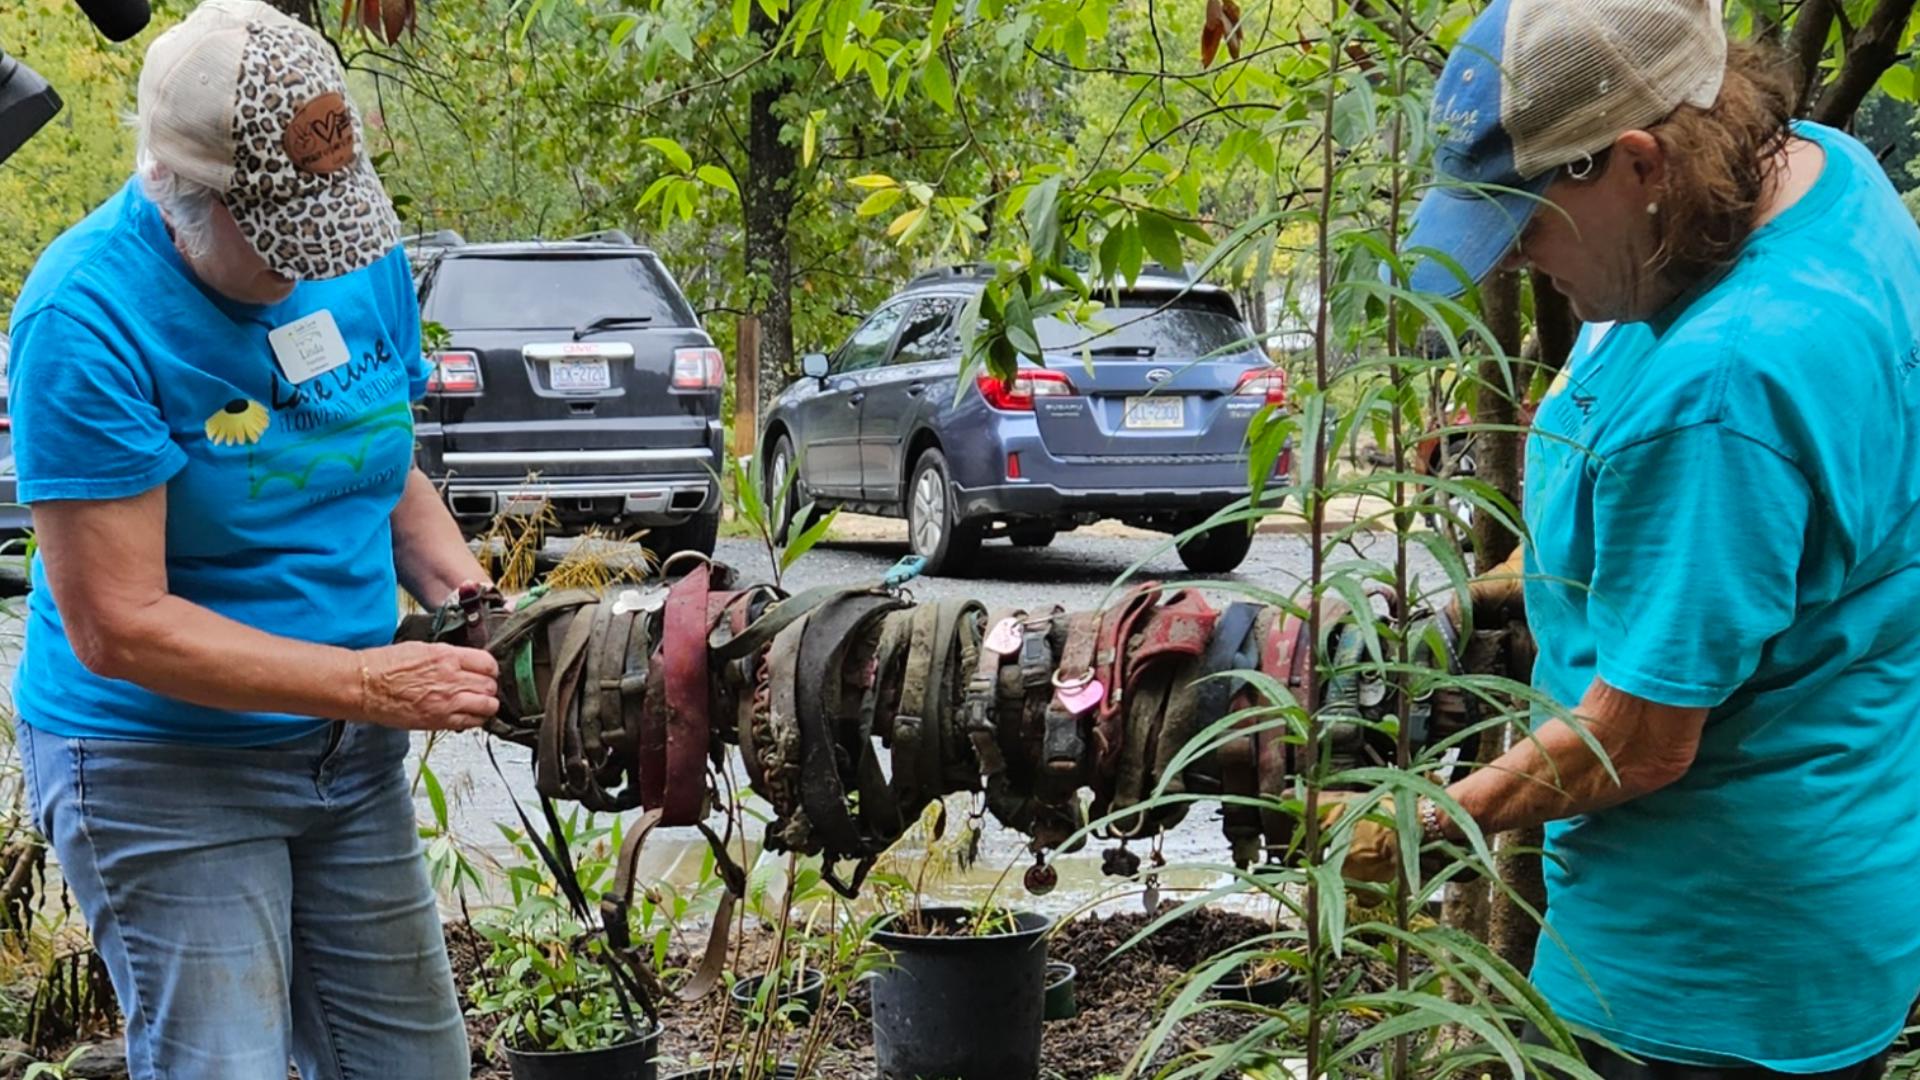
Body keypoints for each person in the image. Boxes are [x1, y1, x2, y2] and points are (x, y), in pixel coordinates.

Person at [1329, 0, 1920, 1076]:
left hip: (1708, 973)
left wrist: (1416, 825)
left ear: (1641, 163)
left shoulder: (1723, 387)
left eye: (1524, 223)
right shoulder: (1807, 173)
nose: (1515, 259)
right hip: (1826, 887)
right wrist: (1510, 583)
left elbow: (1639, 740)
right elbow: (1758, 534)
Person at [6, 2, 498, 1077]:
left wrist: (474, 602)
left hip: (346, 753)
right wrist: (368, 683)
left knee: (414, 1066)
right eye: (284, 239)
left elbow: (375, 461)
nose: (315, 263)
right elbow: (119, 624)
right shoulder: (85, 317)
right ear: (180, 191)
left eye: (331, 223)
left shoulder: (357, 254)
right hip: (161, 762)